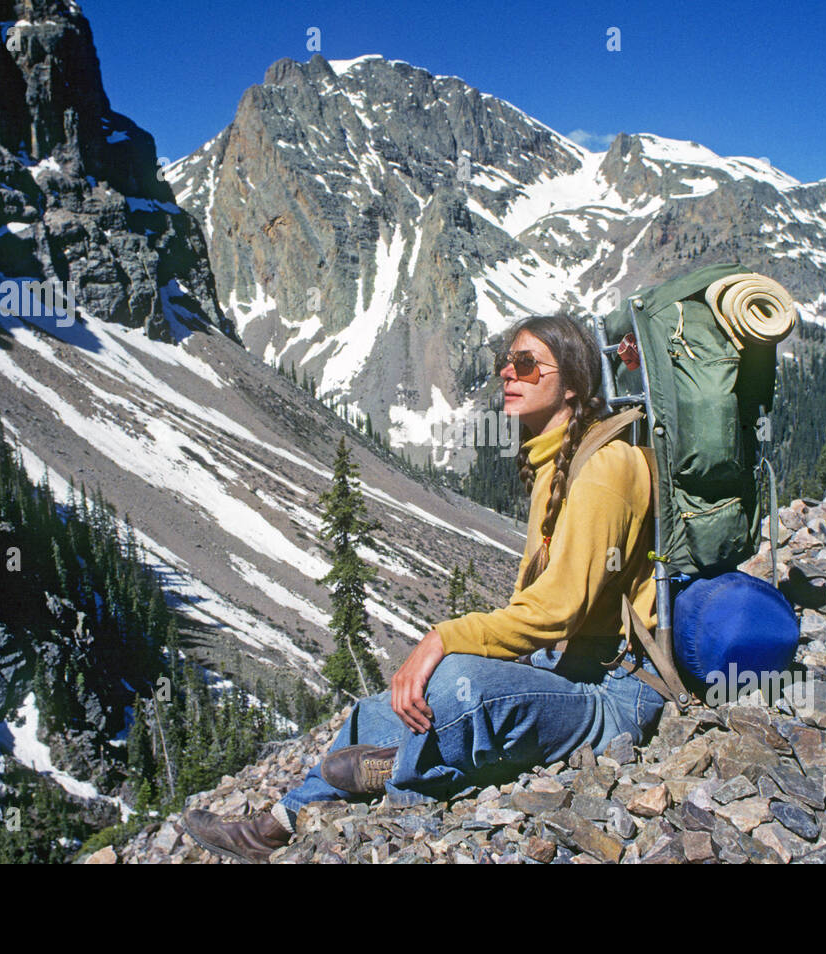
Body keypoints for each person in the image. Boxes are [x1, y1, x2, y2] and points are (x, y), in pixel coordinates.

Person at [183, 312, 666, 862]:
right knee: (377, 707)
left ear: (574, 382)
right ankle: (274, 825)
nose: (508, 372)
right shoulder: (557, 459)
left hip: (613, 692)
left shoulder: (603, 467)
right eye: (504, 362)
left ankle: (400, 766)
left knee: (459, 681)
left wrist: (441, 638)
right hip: (564, 667)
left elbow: (554, 614)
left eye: (527, 364)